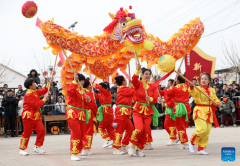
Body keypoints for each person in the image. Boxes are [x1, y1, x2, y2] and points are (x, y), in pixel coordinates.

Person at [128, 65, 158, 157]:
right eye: (146, 74)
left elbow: (156, 97)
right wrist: (137, 71)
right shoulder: (139, 84)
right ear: (142, 75)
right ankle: (132, 146)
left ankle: (139, 149)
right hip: (138, 110)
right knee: (139, 129)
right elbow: (133, 81)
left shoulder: (153, 86)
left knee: (145, 131)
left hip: (148, 111)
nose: (148, 76)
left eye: (149, 74)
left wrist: (151, 99)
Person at [189, 72, 221, 155]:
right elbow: (193, 93)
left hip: (209, 112)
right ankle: (192, 142)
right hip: (200, 110)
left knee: (206, 132)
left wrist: (218, 103)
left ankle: (201, 149)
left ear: (209, 80)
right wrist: (192, 87)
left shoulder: (212, 90)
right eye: (202, 79)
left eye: (205, 79)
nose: (203, 80)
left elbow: (215, 98)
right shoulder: (197, 88)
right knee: (202, 130)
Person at [19, 78, 51, 156]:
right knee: (27, 133)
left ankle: (37, 147)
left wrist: (48, 85)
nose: (35, 84)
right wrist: (44, 99)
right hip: (29, 116)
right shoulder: (28, 94)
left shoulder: (35, 91)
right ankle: (22, 149)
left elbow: (43, 91)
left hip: (36, 115)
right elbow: (35, 104)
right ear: (30, 86)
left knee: (42, 130)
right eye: (33, 83)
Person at [65, 74, 90, 161]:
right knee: (76, 133)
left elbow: (84, 103)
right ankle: (74, 153)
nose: (83, 82)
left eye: (83, 81)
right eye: (81, 80)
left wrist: (87, 99)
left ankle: (78, 152)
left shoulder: (82, 90)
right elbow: (69, 92)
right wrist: (74, 81)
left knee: (82, 133)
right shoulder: (73, 86)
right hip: (73, 113)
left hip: (81, 114)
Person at [167, 73, 191, 150]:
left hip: (178, 108)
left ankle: (184, 143)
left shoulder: (175, 88)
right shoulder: (187, 86)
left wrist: (170, 88)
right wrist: (180, 73)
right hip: (187, 108)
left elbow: (168, 94)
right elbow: (187, 81)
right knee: (184, 125)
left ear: (177, 81)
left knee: (180, 126)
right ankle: (184, 141)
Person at [112, 75, 135, 155]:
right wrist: (134, 84)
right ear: (123, 82)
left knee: (131, 129)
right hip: (122, 111)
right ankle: (116, 147)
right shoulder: (122, 89)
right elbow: (133, 91)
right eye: (125, 80)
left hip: (126, 111)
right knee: (120, 130)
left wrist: (132, 85)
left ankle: (124, 144)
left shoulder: (124, 89)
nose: (126, 81)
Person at [94, 82, 115, 148]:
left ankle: (107, 139)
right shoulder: (103, 94)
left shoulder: (106, 92)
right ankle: (114, 141)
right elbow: (96, 95)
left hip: (106, 112)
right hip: (108, 112)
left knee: (101, 127)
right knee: (110, 128)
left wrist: (95, 84)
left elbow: (99, 88)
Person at [159, 79, 179, 146]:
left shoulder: (175, 92)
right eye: (168, 83)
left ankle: (173, 138)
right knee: (166, 125)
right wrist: (155, 86)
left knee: (171, 124)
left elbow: (173, 101)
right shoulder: (165, 91)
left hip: (173, 109)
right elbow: (158, 92)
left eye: (170, 83)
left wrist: (165, 104)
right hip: (168, 110)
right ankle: (175, 136)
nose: (168, 84)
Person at [81, 79, 98, 156]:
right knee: (88, 131)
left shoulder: (79, 92)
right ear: (88, 85)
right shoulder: (88, 93)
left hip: (80, 113)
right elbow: (93, 105)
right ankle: (86, 148)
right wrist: (96, 111)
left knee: (82, 131)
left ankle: (82, 147)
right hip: (88, 113)